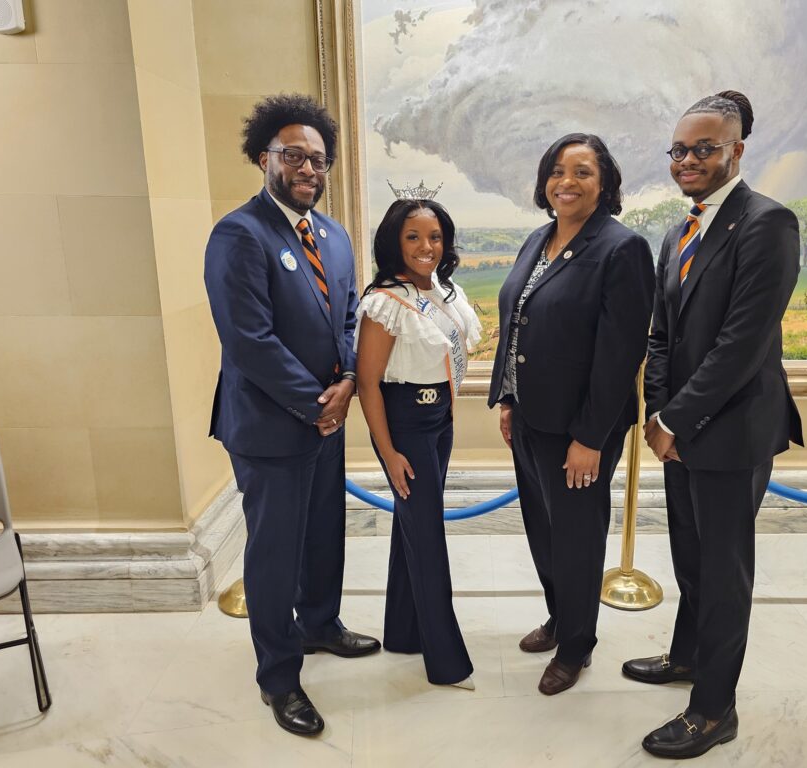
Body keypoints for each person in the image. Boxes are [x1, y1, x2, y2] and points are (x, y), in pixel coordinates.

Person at [622, 91, 804, 760]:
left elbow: (742, 343)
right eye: (679, 149)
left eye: (705, 148)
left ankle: (713, 710)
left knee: (724, 574)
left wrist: (675, 416)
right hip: (680, 432)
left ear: (736, 151)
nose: (689, 160)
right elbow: (663, 333)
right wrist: (659, 413)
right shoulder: (680, 231)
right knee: (692, 560)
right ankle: (688, 657)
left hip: (731, 434)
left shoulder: (767, 223)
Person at [204, 93, 380, 737]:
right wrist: (316, 402)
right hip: (270, 425)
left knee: (323, 530)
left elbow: (349, 317)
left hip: (326, 416)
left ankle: (322, 624)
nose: (308, 168)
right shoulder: (239, 233)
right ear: (263, 158)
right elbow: (248, 339)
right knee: (276, 551)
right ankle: (278, 677)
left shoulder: (331, 236)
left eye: (318, 159)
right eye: (294, 156)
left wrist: (348, 385)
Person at [487, 134, 655, 696]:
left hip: (581, 429)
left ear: (604, 182)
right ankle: (560, 618)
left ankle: (578, 645)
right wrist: (508, 397)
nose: (567, 181)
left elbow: (620, 352)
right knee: (544, 531)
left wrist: (589, 436)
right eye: (558, 171)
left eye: (582, 172)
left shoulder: (620, 248)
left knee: (578, 538)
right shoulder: (538, 239)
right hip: (531, 418)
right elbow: (518, 325)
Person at [355, 198, 481, 690]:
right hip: (404, 426)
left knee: (413, 526)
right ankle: (446, 660)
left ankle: (404, 632)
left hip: (439, 421)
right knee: (427, 536)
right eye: (413, 237)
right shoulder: (385, 301)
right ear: (394, 242)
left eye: (434, 236)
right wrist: (387, 454)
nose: (426, 247)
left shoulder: (446, 291)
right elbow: (368, 384)